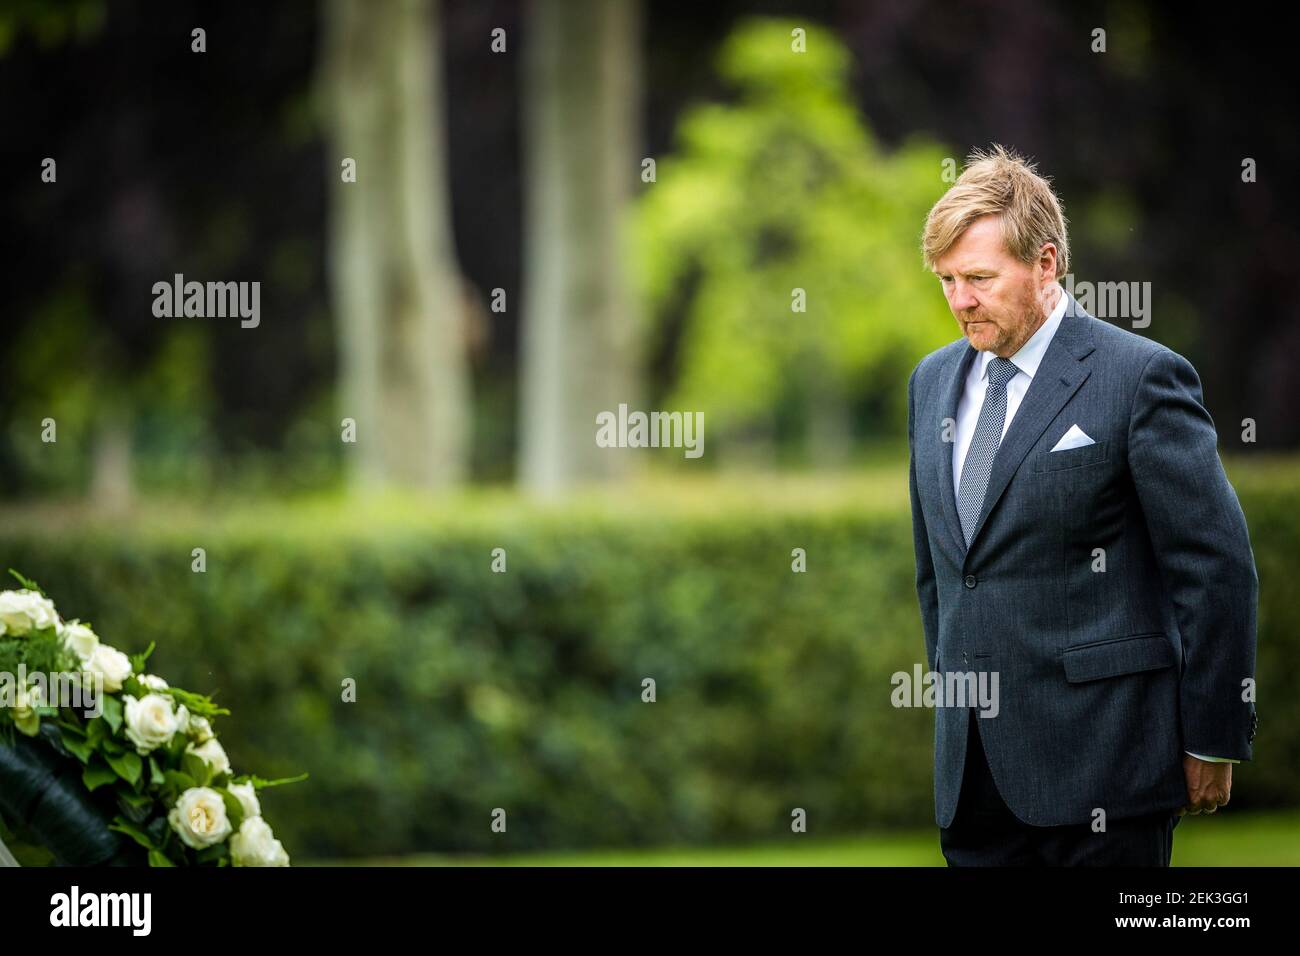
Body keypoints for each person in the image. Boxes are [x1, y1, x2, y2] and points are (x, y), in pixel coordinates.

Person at [907, 144, 1259, 865]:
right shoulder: (930, 382)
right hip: (972, 784)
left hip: (1108, 769)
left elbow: (1215, 568)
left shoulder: (1141, 379)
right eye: (945, 280)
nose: (959, 301)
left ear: (1045, 263)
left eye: (977, 278)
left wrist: (1212, 734)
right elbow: (940, 575)